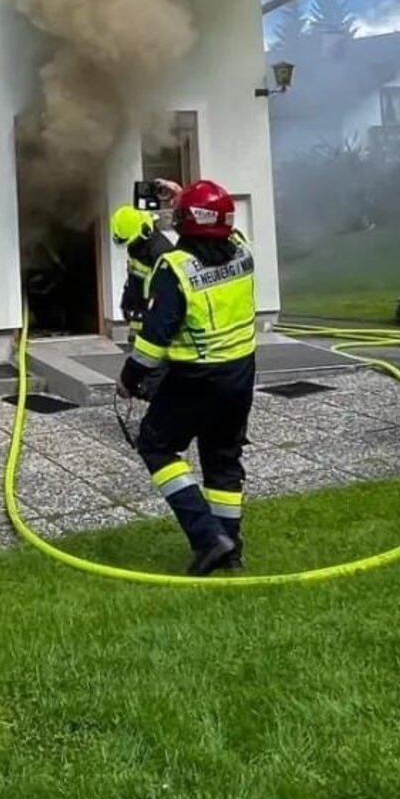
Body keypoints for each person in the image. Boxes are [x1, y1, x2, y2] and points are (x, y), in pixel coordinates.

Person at [118, 179, 257, 576]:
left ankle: (207, 537)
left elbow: (154, 339)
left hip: (196, 377)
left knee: (156, 445)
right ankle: (230, 552)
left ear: (187, 223)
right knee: (223, 459)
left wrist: (129, 377)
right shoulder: (244, 250)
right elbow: (218, 221)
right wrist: (184, 197)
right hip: (241, 374)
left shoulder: (175, 268)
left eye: (179, 214)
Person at [110, 178, 178, 331]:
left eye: (132, 241)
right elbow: (134, 278)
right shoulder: (137, 247)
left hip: (156, 321)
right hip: (139, 314)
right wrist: (127, 303)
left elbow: (168, 294)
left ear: (145, 231)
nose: (130, 245)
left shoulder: (162, 252)